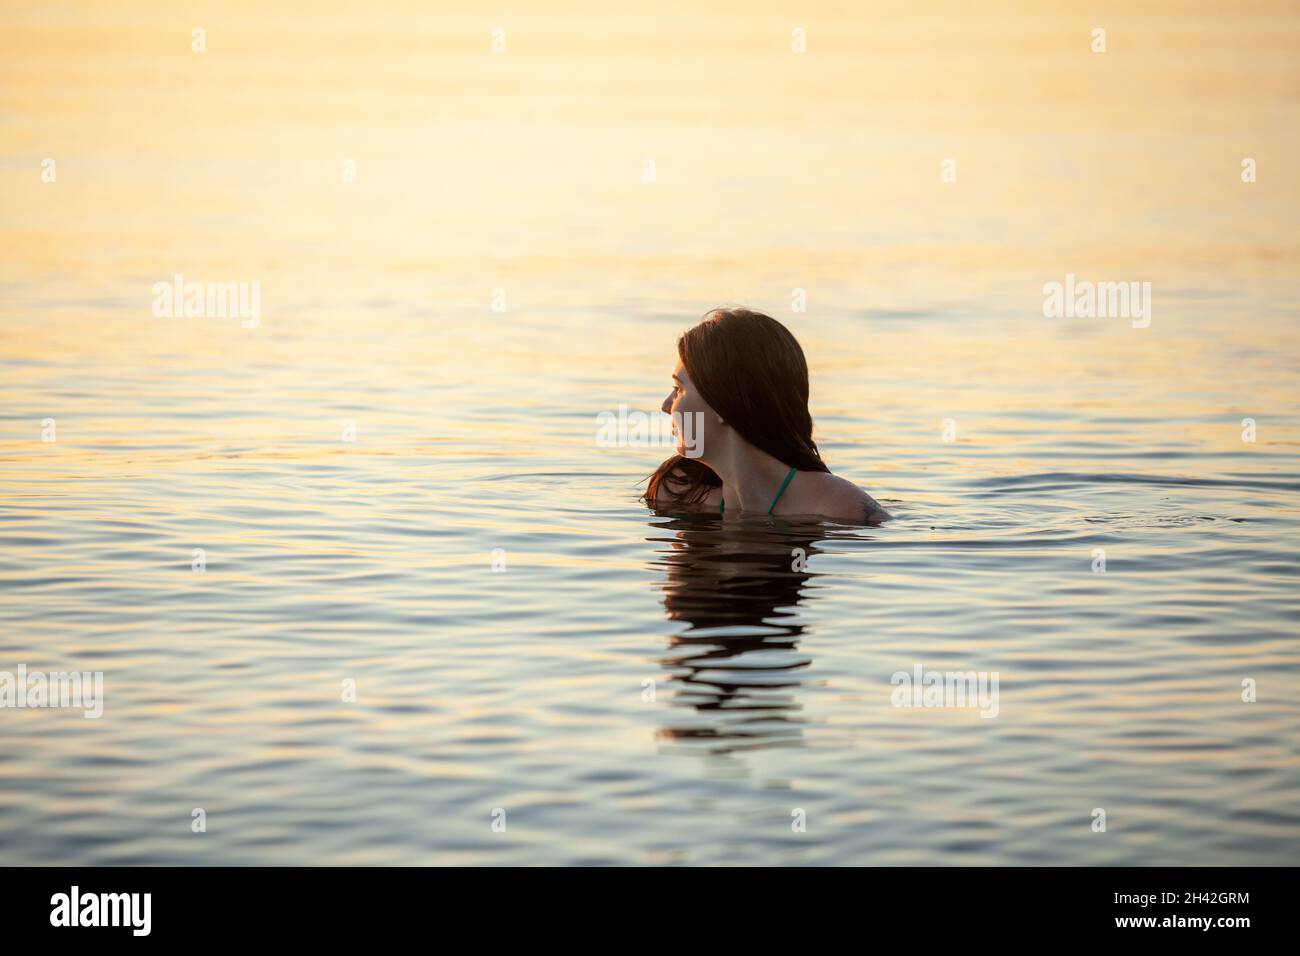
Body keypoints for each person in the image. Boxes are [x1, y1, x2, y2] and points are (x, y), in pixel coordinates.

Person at [646, 307, 890, 523]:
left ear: (722, 403)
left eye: (678, 389)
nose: (666, 406)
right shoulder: (680, 491)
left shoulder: (841, 509)